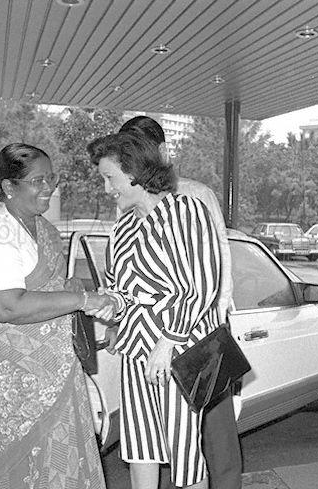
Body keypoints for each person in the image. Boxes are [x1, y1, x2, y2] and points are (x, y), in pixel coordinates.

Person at [0, 143, 114, 489]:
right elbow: (6, 307)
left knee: (60, 452)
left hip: (52, 364)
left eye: (52, 178)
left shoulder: (41, 227)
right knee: (18, 459)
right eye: (39, 180)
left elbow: (47, 285)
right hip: (11, 371)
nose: (50, 187)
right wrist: (81, 299)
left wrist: (70, 289)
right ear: (10, 187)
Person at [89, 131, 222, 489]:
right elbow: (120, 285)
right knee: (140, 444)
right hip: (137, 349)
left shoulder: (187, 211)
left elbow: (202, 286)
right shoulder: (124, 225)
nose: (106, 189)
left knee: (185, 449)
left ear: (134, 171)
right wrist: (111, 305)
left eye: (109, 178)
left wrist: (167, 343)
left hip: (180, 349)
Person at [119, 115, 241, 489]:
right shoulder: (130, 200)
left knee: (215, 434)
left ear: (162, 152)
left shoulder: (194, 195)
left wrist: (209, 327)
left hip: (200, 328)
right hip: (152, 334)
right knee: (155, 435)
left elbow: (218, 264)